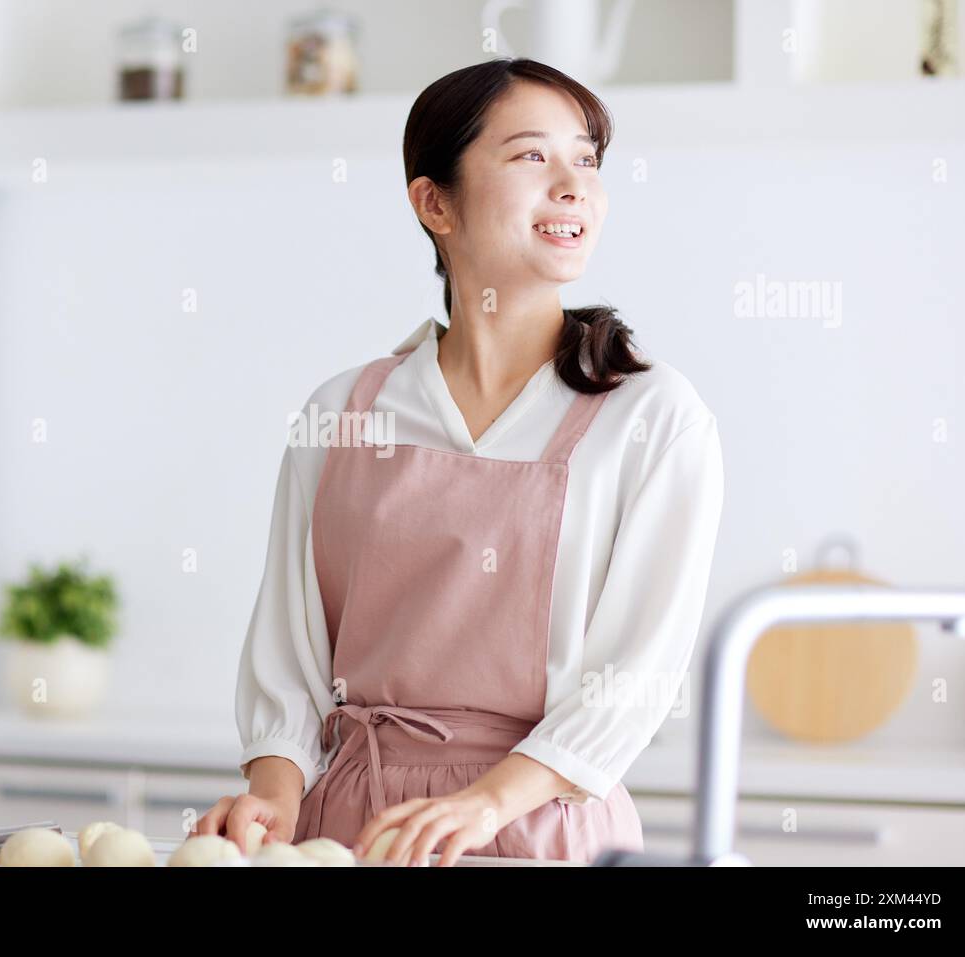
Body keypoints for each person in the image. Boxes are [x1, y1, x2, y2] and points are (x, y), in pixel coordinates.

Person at [198, 58, 724, 866]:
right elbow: (289, 656)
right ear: (432, 202)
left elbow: (634, 676)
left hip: (542, 825)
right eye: (531, 157)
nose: (573, 185)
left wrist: (485, 803)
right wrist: (270, 794)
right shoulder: (343, 412)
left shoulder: (650, 415)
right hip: (351, 831)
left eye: (585, 159)